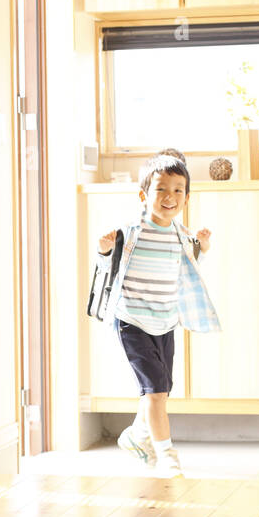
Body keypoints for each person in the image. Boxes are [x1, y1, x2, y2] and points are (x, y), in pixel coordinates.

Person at [95, 154, 221, 477]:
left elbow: (191, 265)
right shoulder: (132, 232)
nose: (170, 197)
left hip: (165, 322)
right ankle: (167, 455)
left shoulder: (180, 235)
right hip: (132, 322)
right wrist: (105, 250)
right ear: (144, 195)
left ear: (187, 198)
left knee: (160, 390)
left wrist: (203, 246)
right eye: (161, 189)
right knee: (154, 391)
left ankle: (135, 438)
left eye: (179, 191)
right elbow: (107, 267)